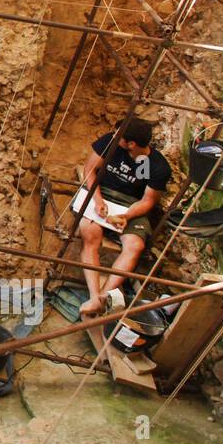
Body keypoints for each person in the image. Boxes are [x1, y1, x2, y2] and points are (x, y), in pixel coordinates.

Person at [78, 117, 173, 316]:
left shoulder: (156, 166)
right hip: (102, 191)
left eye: (118, 135)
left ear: (131, 144)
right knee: (89, 232)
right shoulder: (109, 143)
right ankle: (94, 295)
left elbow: (148, 201)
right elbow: (89, 170)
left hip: (131, 204)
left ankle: (103, 297)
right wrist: (98, 200)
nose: (114, 137)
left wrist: (127, 216)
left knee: (135, 245)